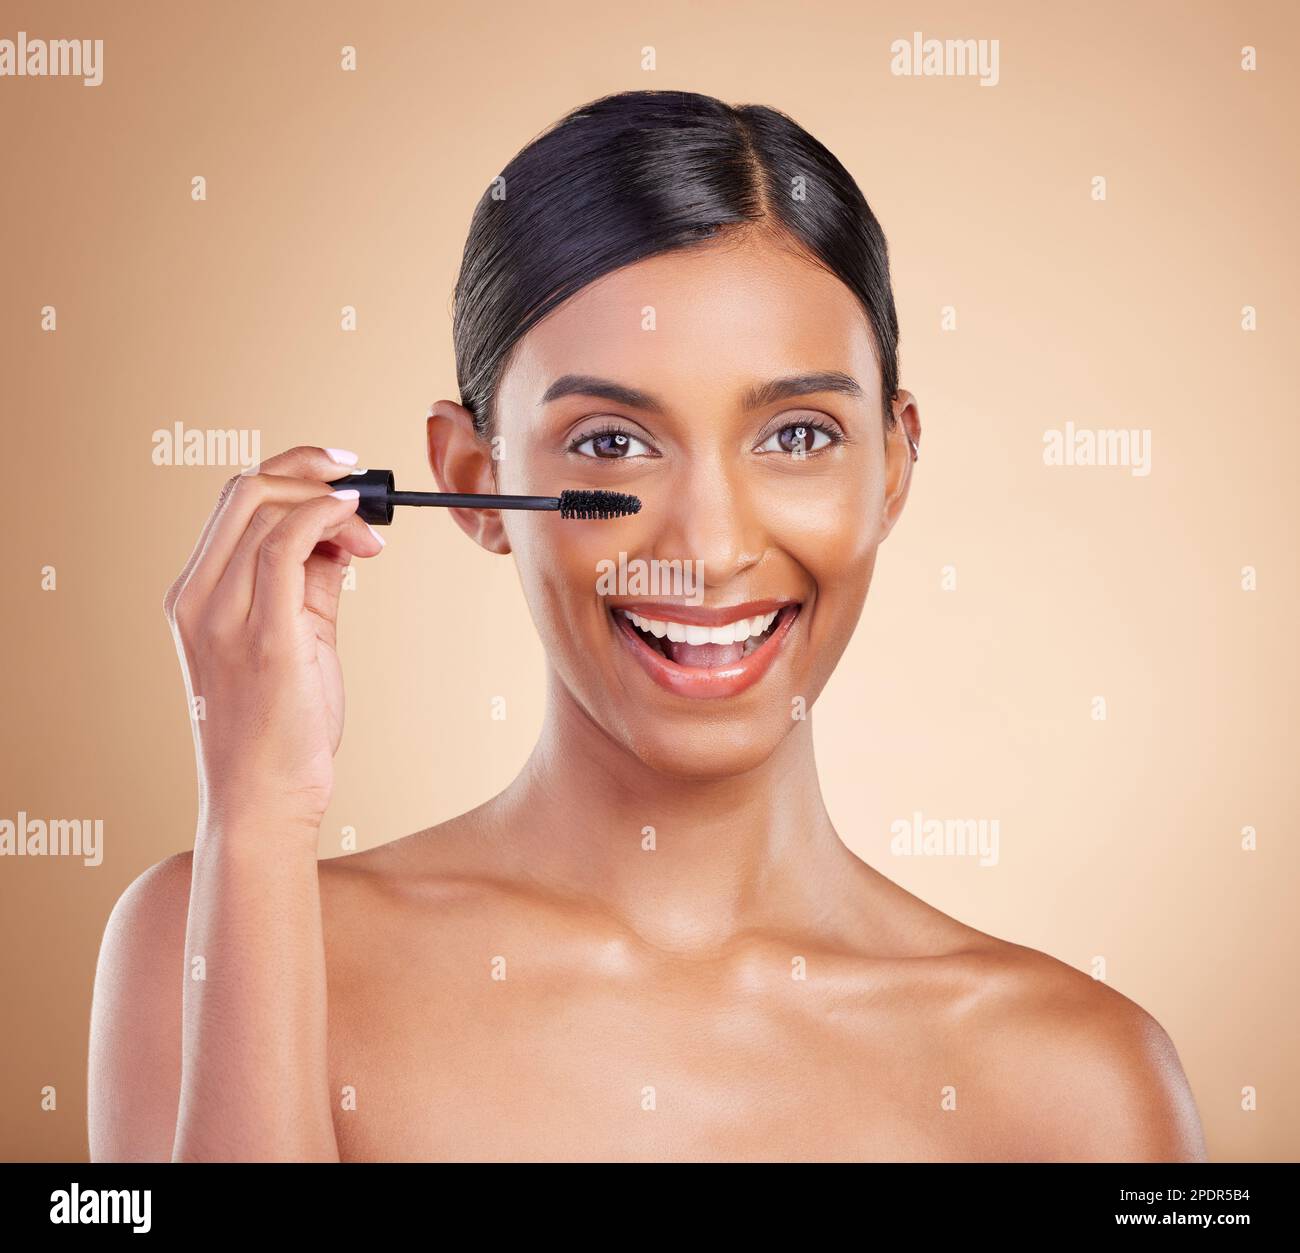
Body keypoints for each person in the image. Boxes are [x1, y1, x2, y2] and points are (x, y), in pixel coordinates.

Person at [88, 89, 1206, 1162]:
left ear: (895, 463)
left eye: (799, 435)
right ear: (472, 483)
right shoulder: (219, 928)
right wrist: (261, 811)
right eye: (613, 440)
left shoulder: (1082, 1083)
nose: (710, 547)